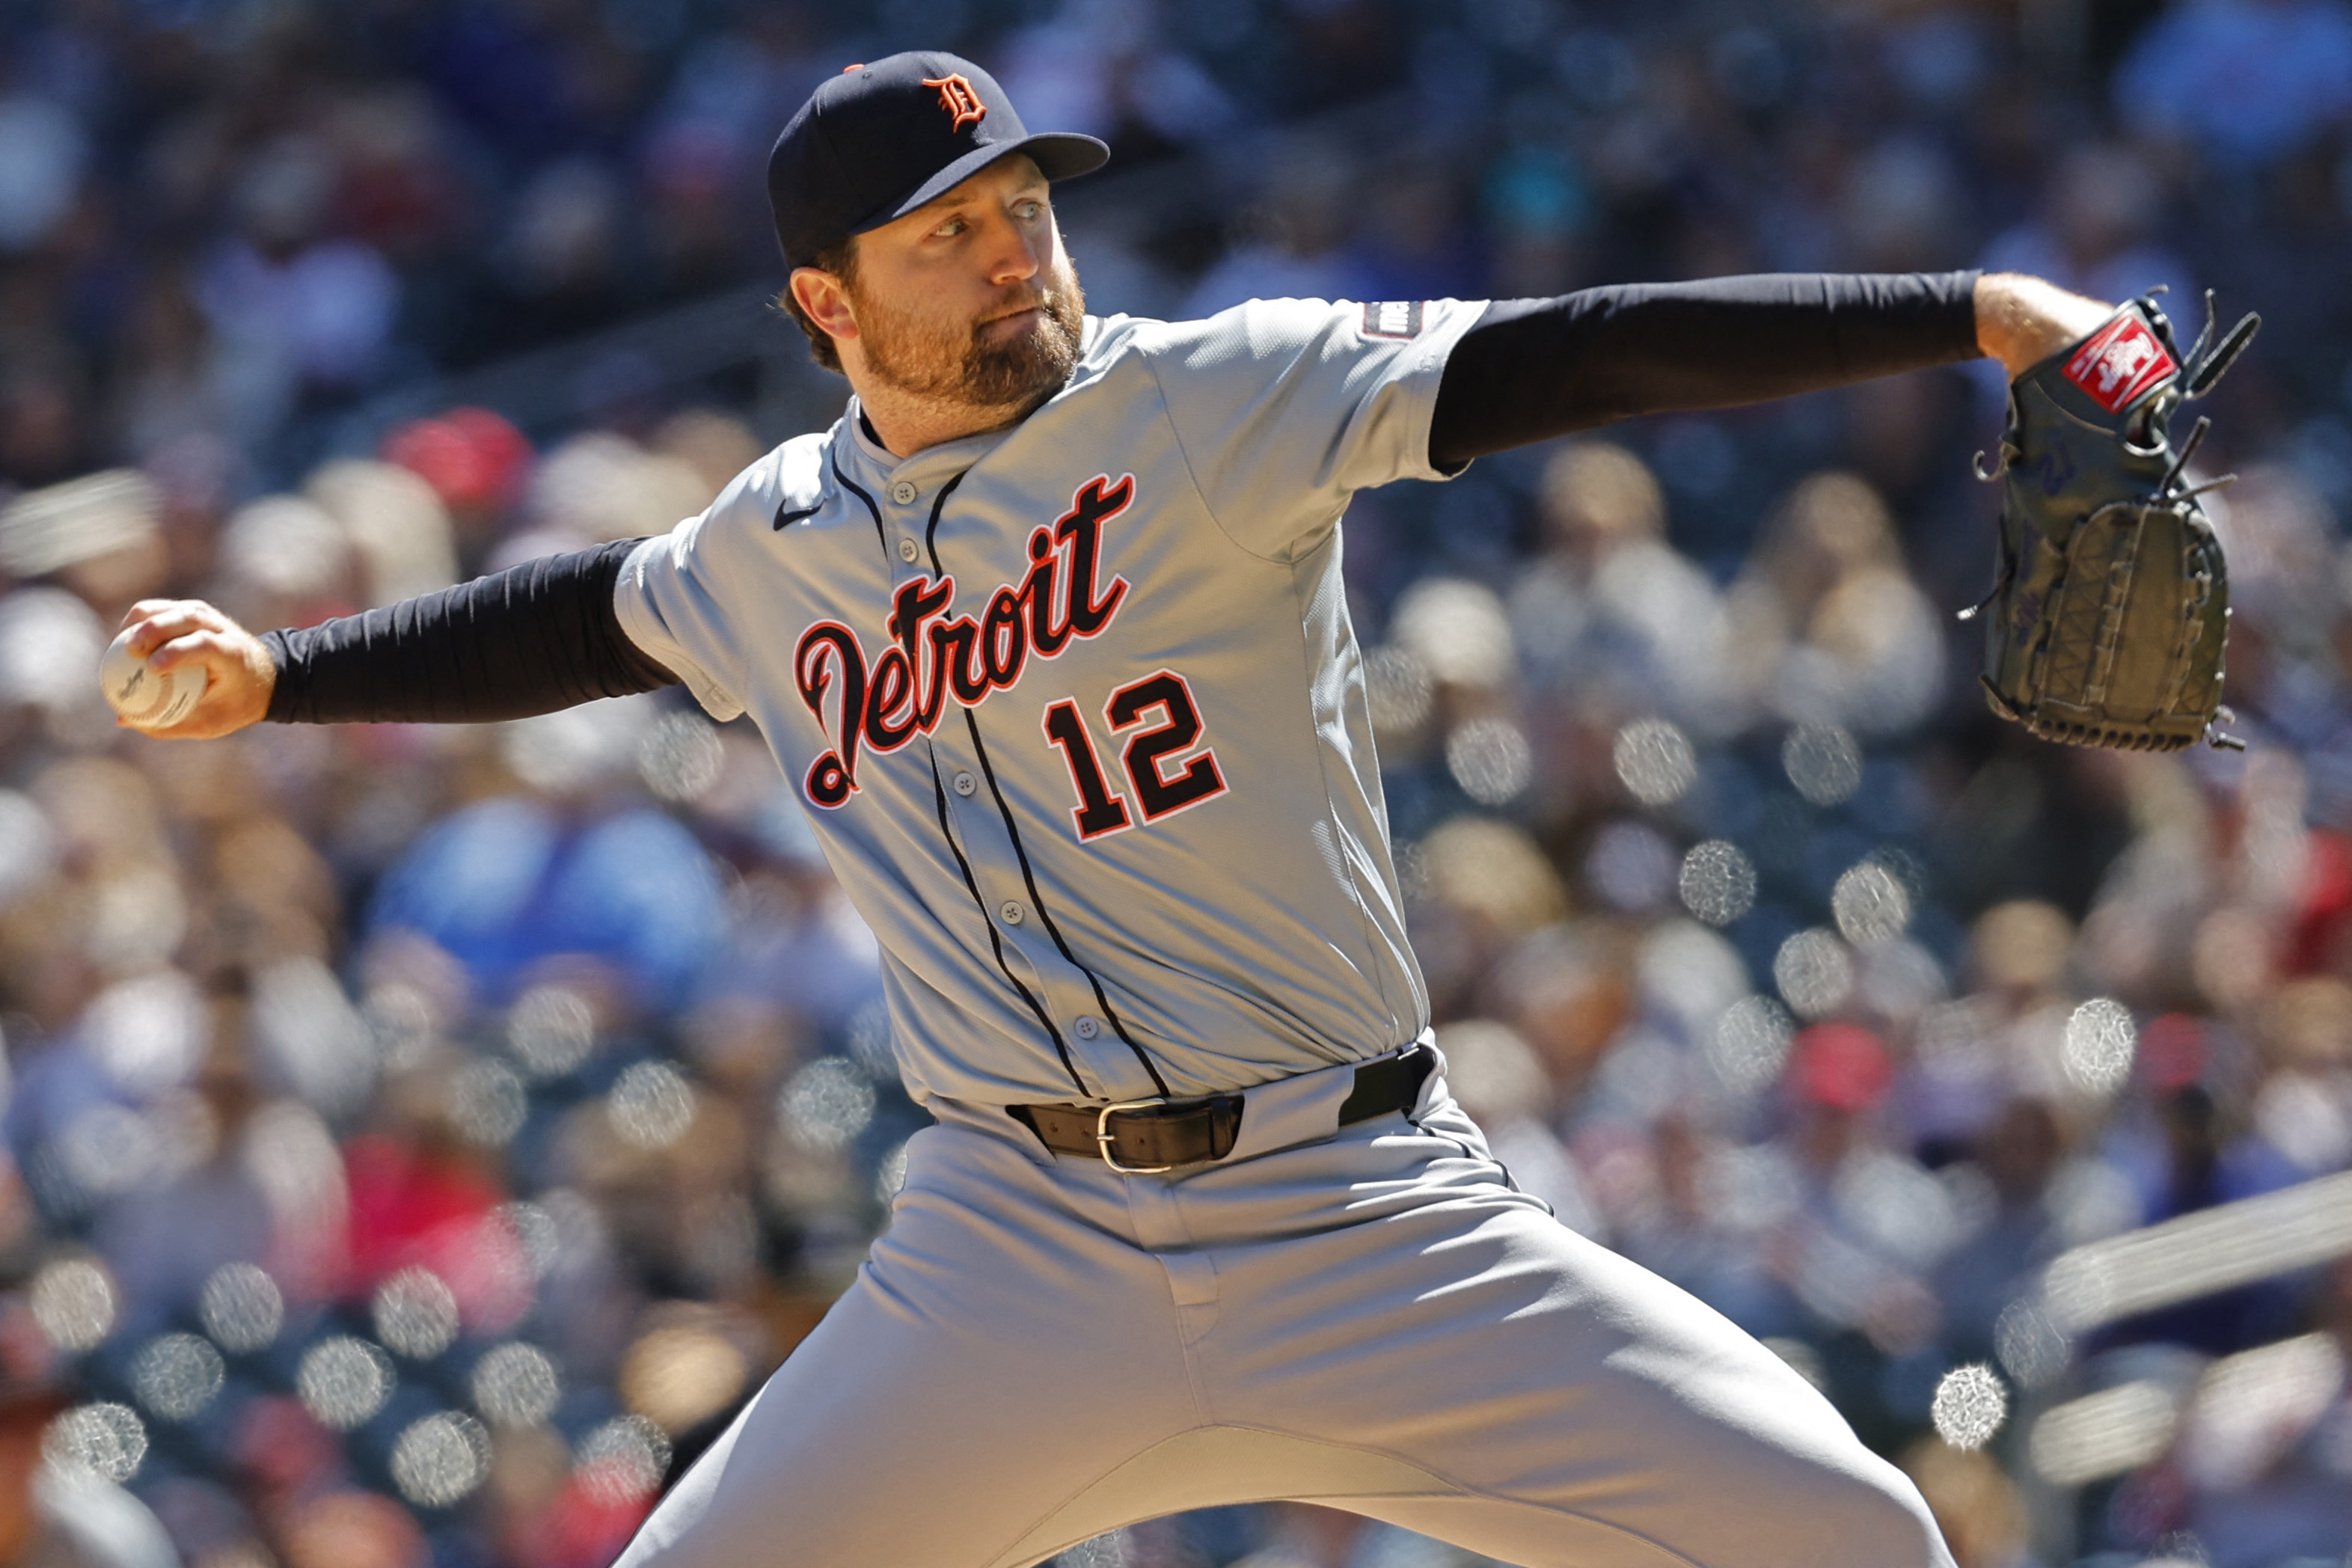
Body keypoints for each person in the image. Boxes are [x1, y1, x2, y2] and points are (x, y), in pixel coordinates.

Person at [115, 51, 2115, 1568]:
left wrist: (1966, 312)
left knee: (1854, 1541)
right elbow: (578, 616)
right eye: (949, 240)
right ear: (830, 308)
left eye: (1026, 216)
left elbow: (1570, 360)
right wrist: (286, 675)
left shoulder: (1219, 399)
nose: (1013, 260)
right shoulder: (775, 543)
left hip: (1361, 1213)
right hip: (1018, 1248)